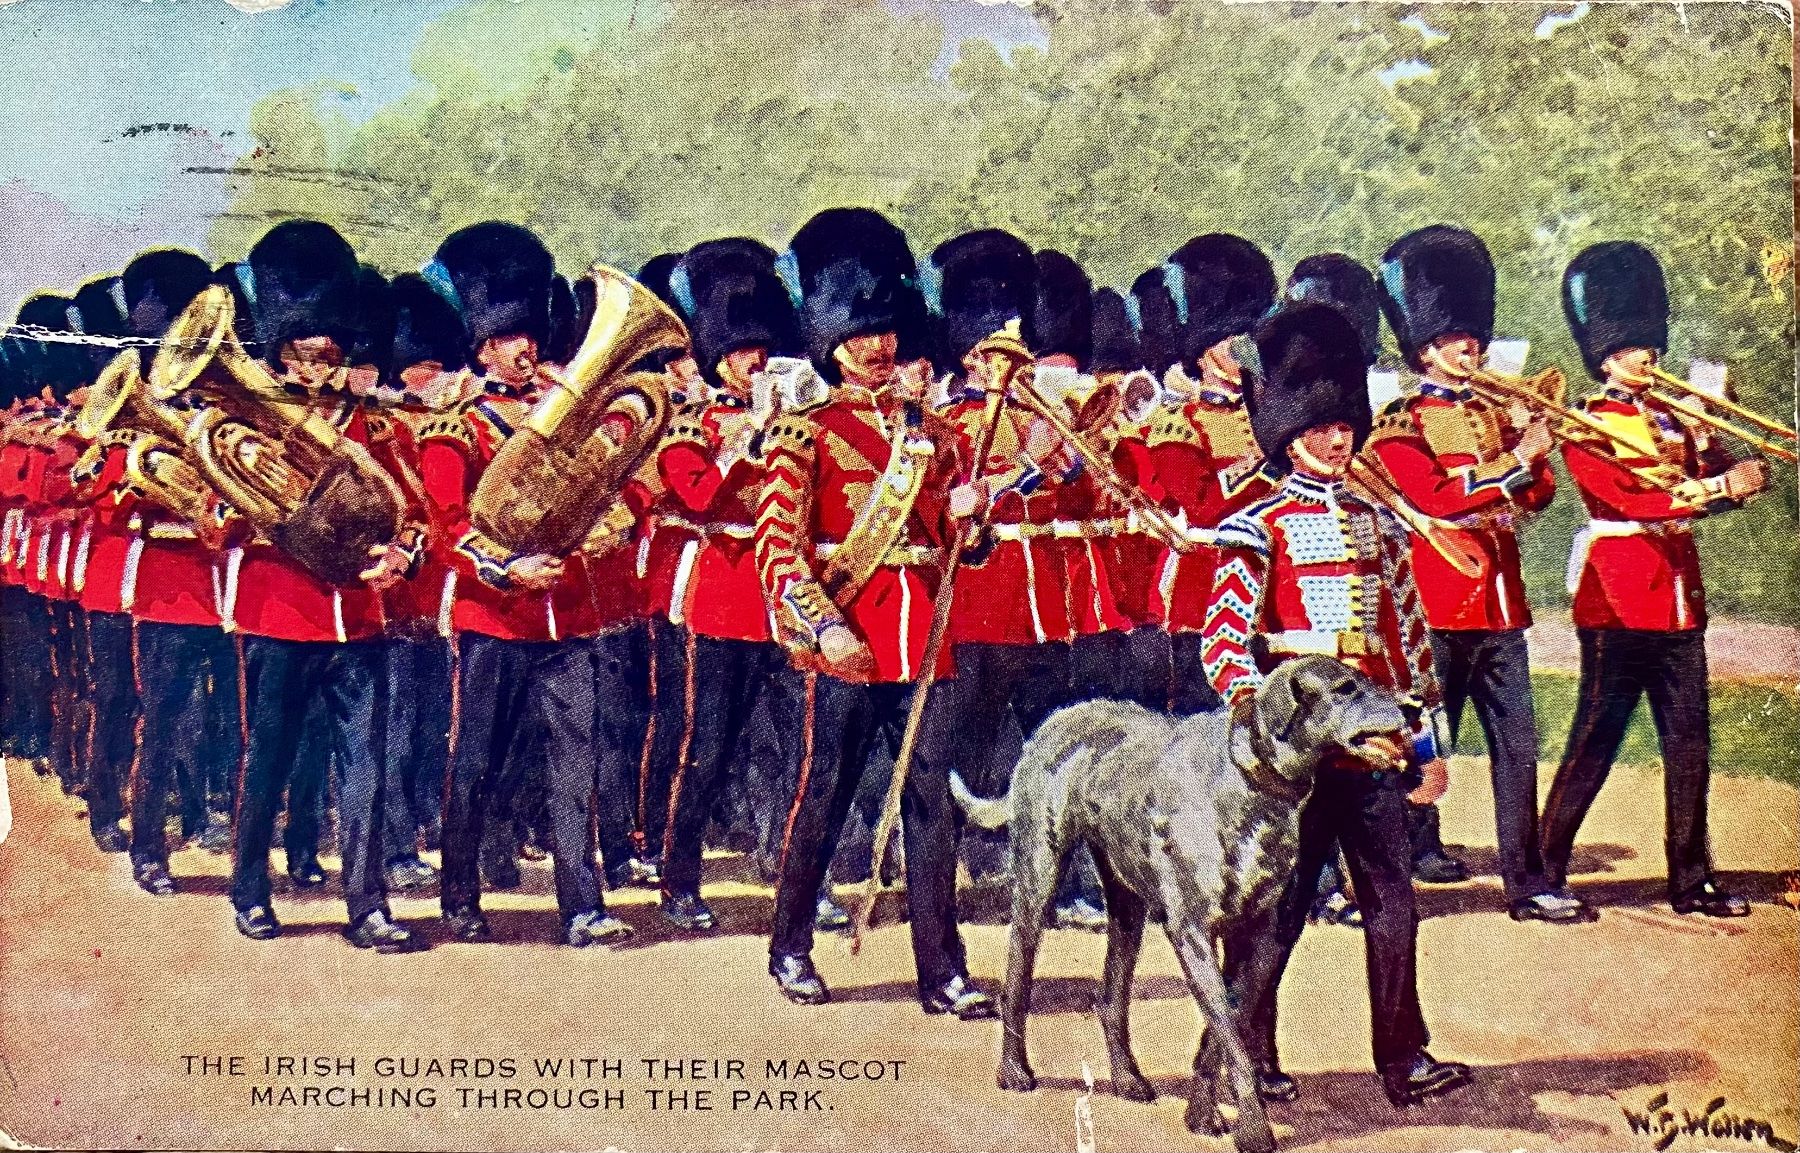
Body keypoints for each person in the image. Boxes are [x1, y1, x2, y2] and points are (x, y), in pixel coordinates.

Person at [1200, 301, 1471, 1108]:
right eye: (1319, 428)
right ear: (1288, 433)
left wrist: (1427, 742)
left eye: (1343, 424)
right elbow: (1223, 641)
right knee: (1275, 915)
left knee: (1393, 905)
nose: (1337, 439)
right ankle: (1252, 1054)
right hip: (1293, 757)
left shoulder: (1378, 524)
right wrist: (1255, 721)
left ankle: (1404, 1057)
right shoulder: (1257, 526)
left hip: (1372, 752)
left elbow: (1411, 643)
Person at [755, 207, 993, 1018]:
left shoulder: (936, 435)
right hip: (846, 641)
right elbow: (777, 550)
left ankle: (943, 970)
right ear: (831, 340)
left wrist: (972, 514)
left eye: (887, 329)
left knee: (932, 803)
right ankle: (789, 945)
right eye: (861, 333)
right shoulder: (804, 433)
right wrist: (824, 624)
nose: (878, 346)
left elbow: (961, 543)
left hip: (923, 641)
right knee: (822, 796)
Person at [417, 221, 632, 948]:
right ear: (482, 348)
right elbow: (447, 526)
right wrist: (507, 569)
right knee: (475, 759)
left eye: (529, 336)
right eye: (510, 339)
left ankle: (581, 902)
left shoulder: (564, 418)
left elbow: (601, 496)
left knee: (576, 764)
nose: (527, 348)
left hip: (565, 616)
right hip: (494, 616)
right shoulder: (458, 427)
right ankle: (459, 893)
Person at [1539, 241, 1768, 919]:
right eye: (1634, 348)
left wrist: (1727, 455)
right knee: (1594, 742)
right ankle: (1545, 869)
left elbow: (1723, 478)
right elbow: (1632, 500)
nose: (1649, 358)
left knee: (1690, 745)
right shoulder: (1590, 422)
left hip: (1676, 601)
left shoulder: (1674, 419)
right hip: (1617, 598)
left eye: (1650, 345)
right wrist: (1716, 483)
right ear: (1606, 355)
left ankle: (1691, 877)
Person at [1367, 229, 1586, 911]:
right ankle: (1400, 867)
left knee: (1518, 748)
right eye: (1458, 338)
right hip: (1436, 604)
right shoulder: (1400, 422)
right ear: (1426, 347)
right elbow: (1437, 498)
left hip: (1500, 607)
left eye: (1474, 336)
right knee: (1424, 745)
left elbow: (1536, 496)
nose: (1473, 348)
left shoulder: (1494, 412)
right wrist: (1518, 458)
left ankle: (1526, 882)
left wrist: (1532, 449)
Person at [224, 221, 423, 953]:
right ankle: (250, 889)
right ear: (279, 351)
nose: (315, 367)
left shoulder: (374, 427)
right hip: (278, 613)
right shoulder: (248, 418)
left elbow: (418, 516)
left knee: (364, 771)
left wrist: (404, 558)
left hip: (360, 621)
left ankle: (366, 904)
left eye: (327, 354)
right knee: (268, 759)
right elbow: (220, 522)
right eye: (301, 354)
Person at [654, 237, 802, 931]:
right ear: (719, 358)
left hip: (783, 599)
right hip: (723, 594)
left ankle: (789, 867)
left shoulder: (798, 422)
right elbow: (698, 498)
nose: (758, 361)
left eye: (764, 349)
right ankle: (679, 878)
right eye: (746, 351)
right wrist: (743, 442)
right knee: (707, 747)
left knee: (790, 748)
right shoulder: (694, 422)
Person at [111, 250, 241, 896]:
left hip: (228, 586)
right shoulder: (144, 406)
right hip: (170, 584)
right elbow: (121, 494)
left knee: (228, 723)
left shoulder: (225, 403)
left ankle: (208, 819)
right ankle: (147, 848)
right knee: (164, 721)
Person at [1145, 234, 1277, 715]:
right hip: (1204, 592)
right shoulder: (1178, 423)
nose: (1239, 346)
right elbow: (1204, 505)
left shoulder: (1270, 415)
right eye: (1226, 338)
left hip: (1274, 592)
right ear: (1202, 350)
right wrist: (1262, 457)